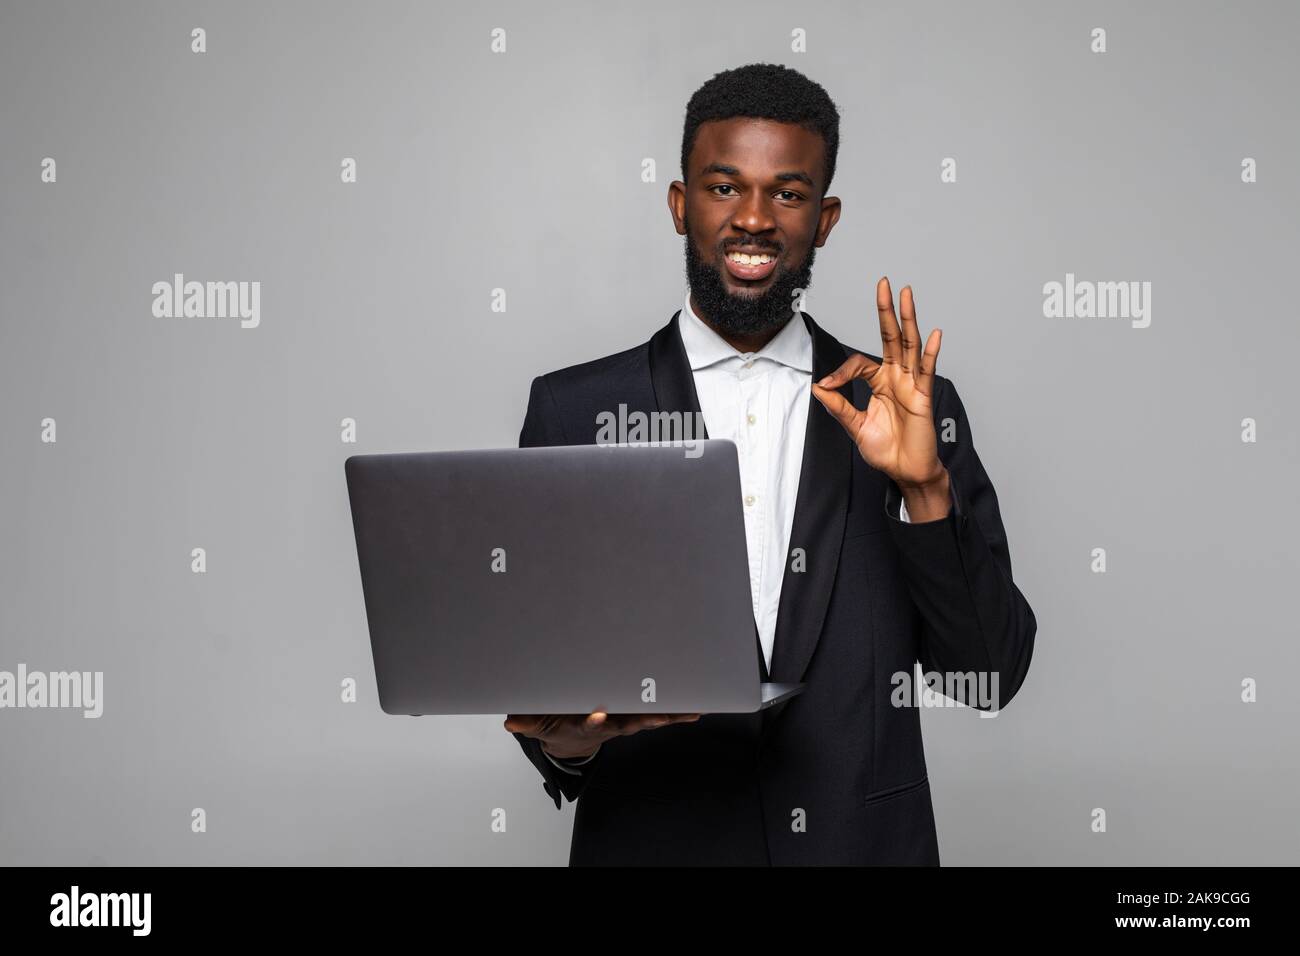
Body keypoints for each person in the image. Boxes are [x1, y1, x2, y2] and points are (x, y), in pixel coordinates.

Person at [504, 63, 1036, 865]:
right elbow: (537, 674)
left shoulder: (907, 406)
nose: (753, 218)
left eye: (787, 193)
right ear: (682, 207)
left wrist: (924, 488)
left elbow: (985, 677)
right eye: (724, 188)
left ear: (823, 220)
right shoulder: (574, 412)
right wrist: (570, 745)